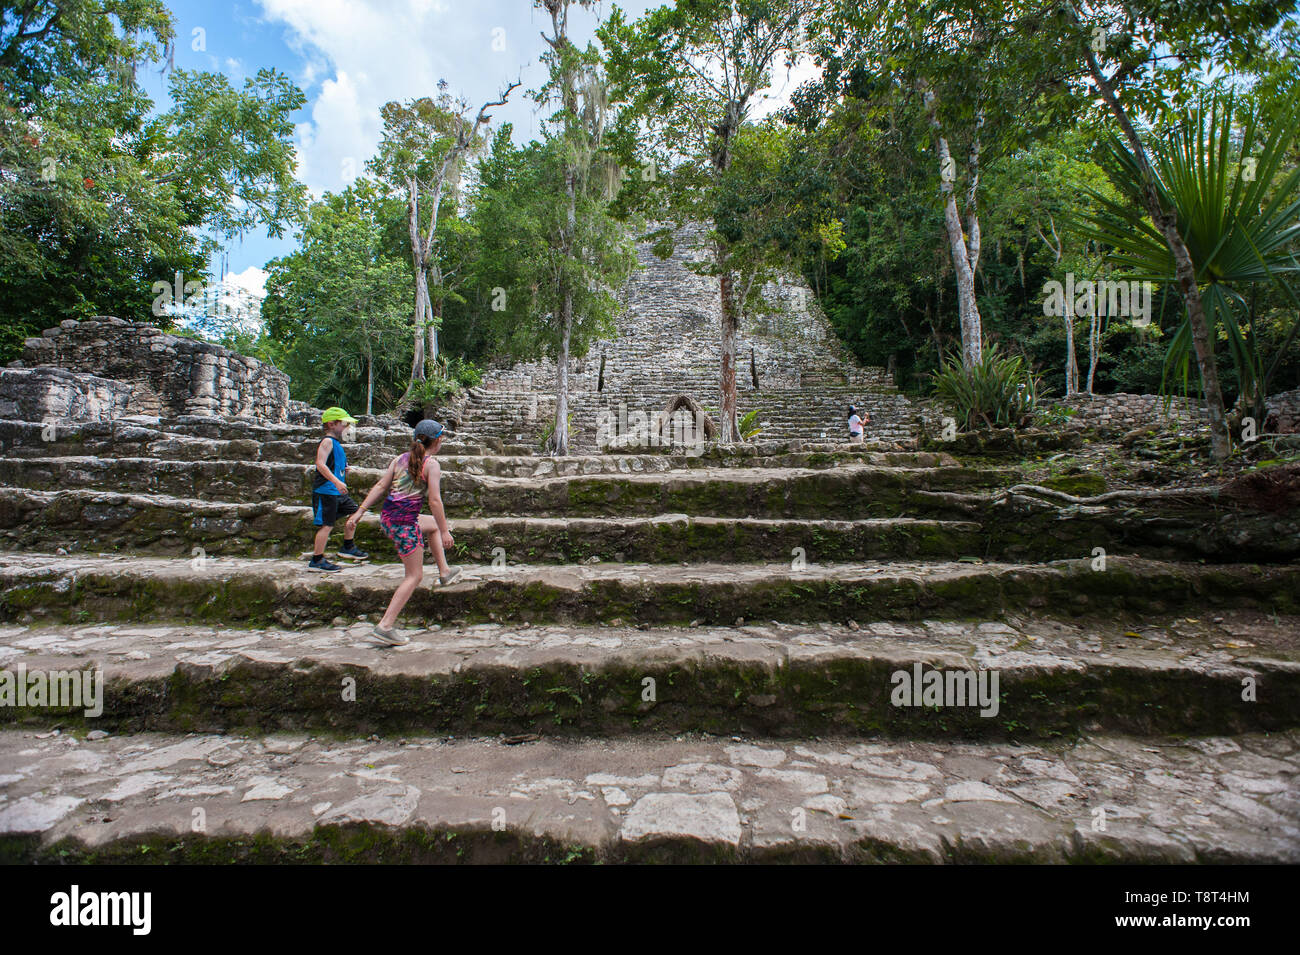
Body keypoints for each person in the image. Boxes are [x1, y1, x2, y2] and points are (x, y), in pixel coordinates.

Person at [346, 419, 462, 646]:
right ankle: (385, 626)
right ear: (437, 440)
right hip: (405, 524)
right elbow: (435, 501)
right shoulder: (432, 465)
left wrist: (360, 512)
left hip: (390, 518)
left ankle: (445, 571)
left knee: (432, 525)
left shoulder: (400, 459)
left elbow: (380, 486)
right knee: (414, 576)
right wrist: (447, 531)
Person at [309, 406, 368, 571]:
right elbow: (320, 464)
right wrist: (336, 481)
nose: (347, 428)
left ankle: (348, 546)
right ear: (331, 424)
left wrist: (343, 470)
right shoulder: (327, 441)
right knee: (327, 525)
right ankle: (317, 559)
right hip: (326, 490)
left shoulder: (335, 444)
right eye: (344, 424)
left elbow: (331, 464)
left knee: (355, 512)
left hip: (336, 491)